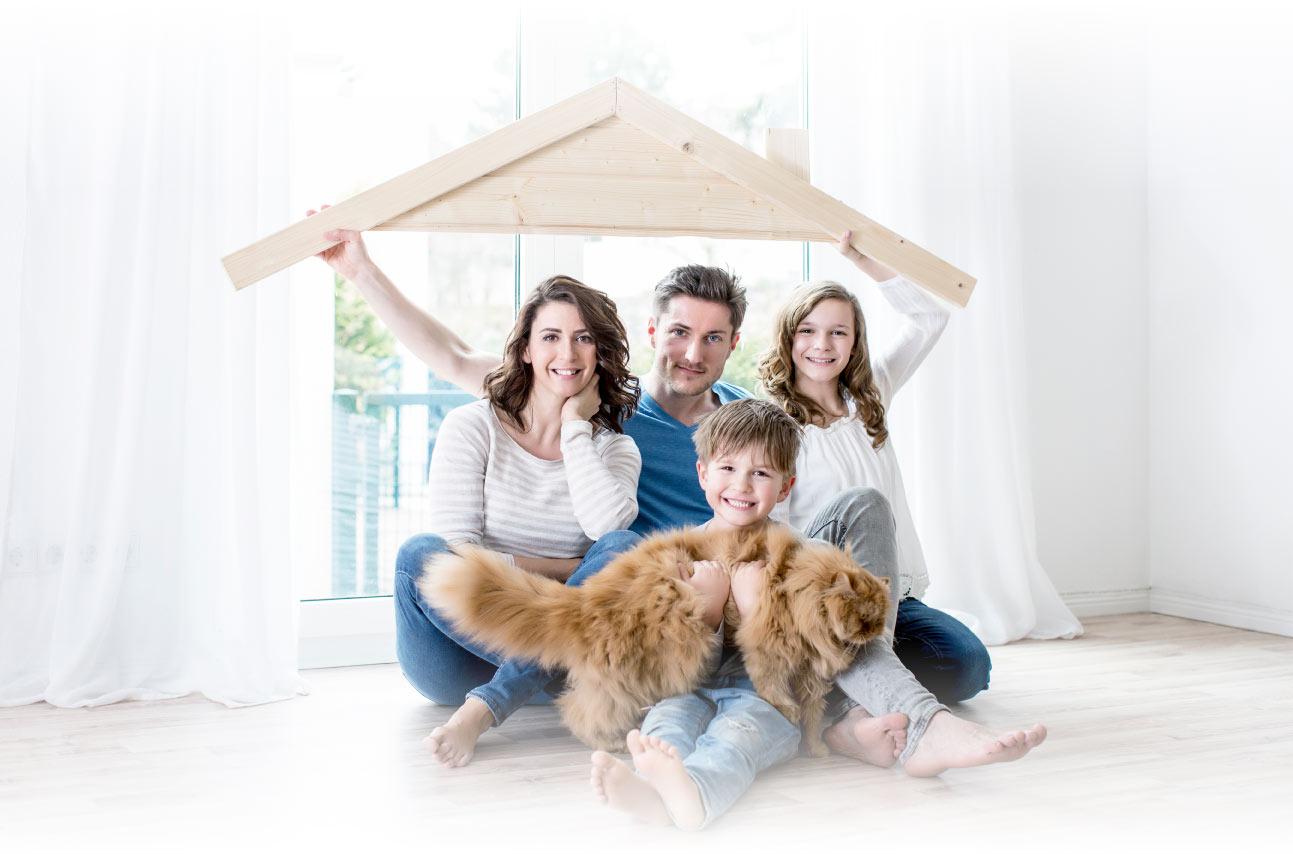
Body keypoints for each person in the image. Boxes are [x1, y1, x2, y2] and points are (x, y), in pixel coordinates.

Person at [321, 223, 1044, 776]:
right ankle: (845, 714)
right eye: (677, 333)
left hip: (736, 607)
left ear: (733, 344)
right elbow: (453, 356)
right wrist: (359, 269)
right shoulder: (606, 409)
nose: (692, 353)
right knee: (593, 559)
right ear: (649, 334)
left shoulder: (746, 417)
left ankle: (855, 702)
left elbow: (787, 501)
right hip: (650, 614)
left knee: (959, 663)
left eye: (711, 338)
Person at [312, 214, 645, 768]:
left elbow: (607, 534)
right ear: (528, 351)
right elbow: (460, 560)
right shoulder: (475, 427)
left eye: (584, 338)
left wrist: (575, 429)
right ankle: (527, 674)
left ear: (600, 353)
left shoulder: (612, 449)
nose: (568, 352)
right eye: (552, 337)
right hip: (460, 656)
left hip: (555, 654)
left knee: (620, 551)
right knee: (419, 554)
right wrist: (566, 570)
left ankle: (488, 708)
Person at [760, 230, 992, 706]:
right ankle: (850, 667)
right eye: (808, 330)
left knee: (968, 669)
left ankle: (855, 672)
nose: (822, 345)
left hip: (890, 598)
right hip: (825, 597)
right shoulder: (775, 422)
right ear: (788, 337)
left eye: (838, 332)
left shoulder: (871, 397)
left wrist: (863, 260)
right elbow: (775, 528)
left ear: (854, 342)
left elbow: (929, 318)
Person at [590, 399, 828, 829]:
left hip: (767, 697)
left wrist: (756, 609)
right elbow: (671, 658)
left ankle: (694, 795)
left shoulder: (797, 556)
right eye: (728, 468)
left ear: (786, 486)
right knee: (665, 724)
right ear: (702, 474)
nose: (742, 485)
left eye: (761, 473)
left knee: (738, 737)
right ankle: (655, 788)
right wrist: (709, 615)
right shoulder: (682, 553)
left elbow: (800, 664)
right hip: (692, 686)